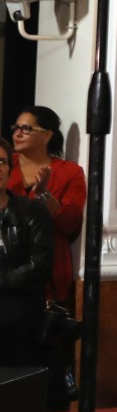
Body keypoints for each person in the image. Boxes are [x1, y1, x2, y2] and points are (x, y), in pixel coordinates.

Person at [6, 106, 84, 309]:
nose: (17, 133)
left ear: (47, 135)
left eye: (26, 128)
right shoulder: (4, 164)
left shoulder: (69, 172)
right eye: (15, 128)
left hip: (47, 277)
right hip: (4, 270)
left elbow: (70, 224)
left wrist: (43, 193)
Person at [0, 137, 54, 370]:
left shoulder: (30, 211)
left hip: (19, 319)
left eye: (1, 161)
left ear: (9, 169)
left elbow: (40, 266)